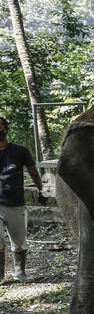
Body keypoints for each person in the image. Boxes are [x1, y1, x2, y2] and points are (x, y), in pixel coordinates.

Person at [0, 115, 48, 283]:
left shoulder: (20, 151)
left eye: (0, 127)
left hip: (15, 204)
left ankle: (20, 272)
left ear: (6, 129)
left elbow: (33, 172)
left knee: (19, 242)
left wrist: (42, 190)